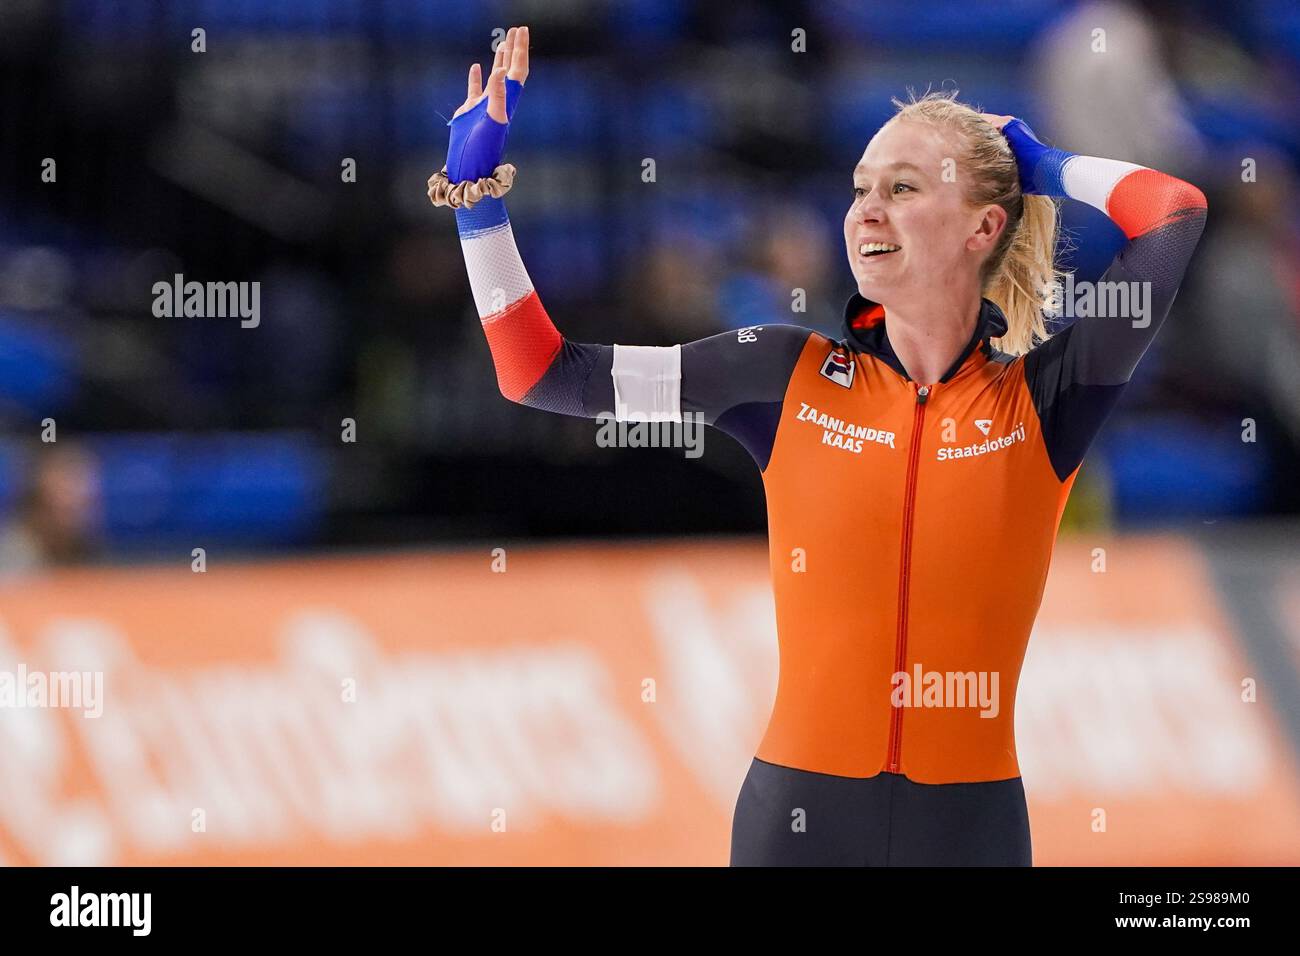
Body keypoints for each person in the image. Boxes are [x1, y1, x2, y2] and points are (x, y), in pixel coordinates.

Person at [430, 26, 1208, 865]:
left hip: (971, 831)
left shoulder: (1046, 399)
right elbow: (544, 374)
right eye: (859, 188)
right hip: (796, 823)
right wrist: (477, 201)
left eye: (903, 187)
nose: (867, 208)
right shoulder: (776, 375)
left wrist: (1045, 166)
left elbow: (1174, 214)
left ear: (984, 226)